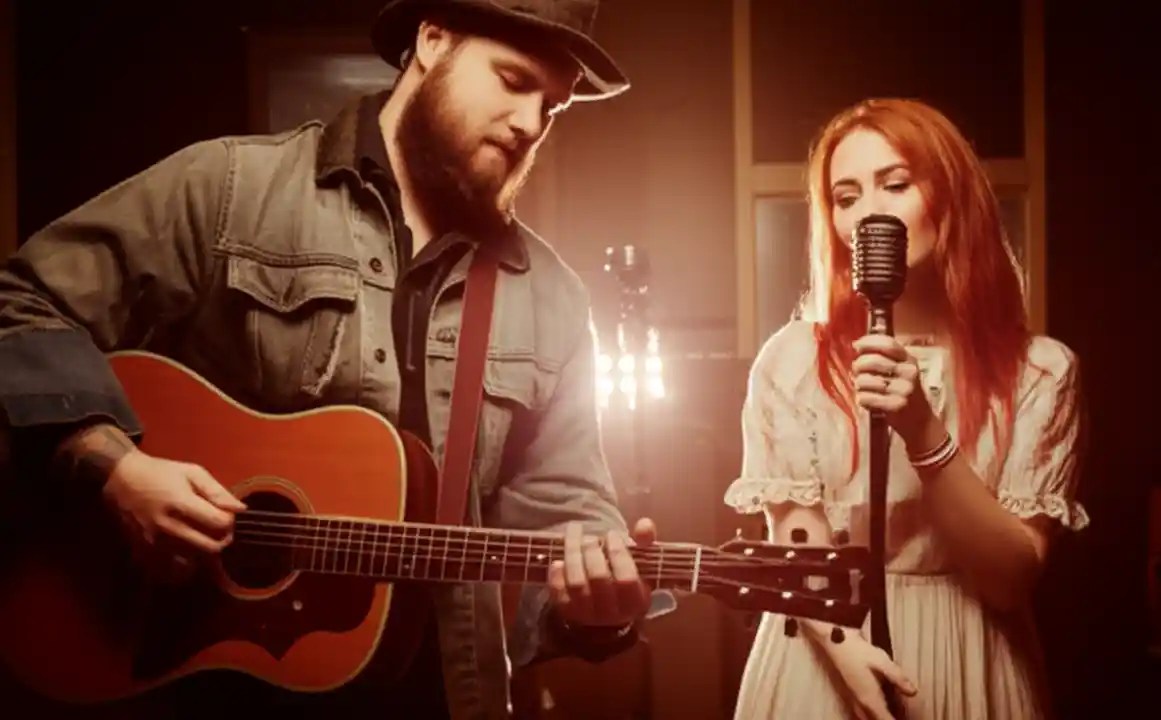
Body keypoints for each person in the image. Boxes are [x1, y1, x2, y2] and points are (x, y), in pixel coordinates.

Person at [0, 0, 656, 717]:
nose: (531, 123)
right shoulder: (227, 191)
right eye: (511, 80)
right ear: (432, 40)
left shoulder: (554, 299)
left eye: (553, 107)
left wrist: (597, 613)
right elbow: (20, 309)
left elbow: (560, 519)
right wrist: (114, 468)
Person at [724, 98, 1089, 720]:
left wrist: (923, 430)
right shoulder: (791, 360)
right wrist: (846, 653)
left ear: (950, 200)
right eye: (845, 197)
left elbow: (1009, 578)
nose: (869, 212)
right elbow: (797, 539)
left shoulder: (1040, 372)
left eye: (895, 185)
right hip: (821, 658)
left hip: (970, 657)